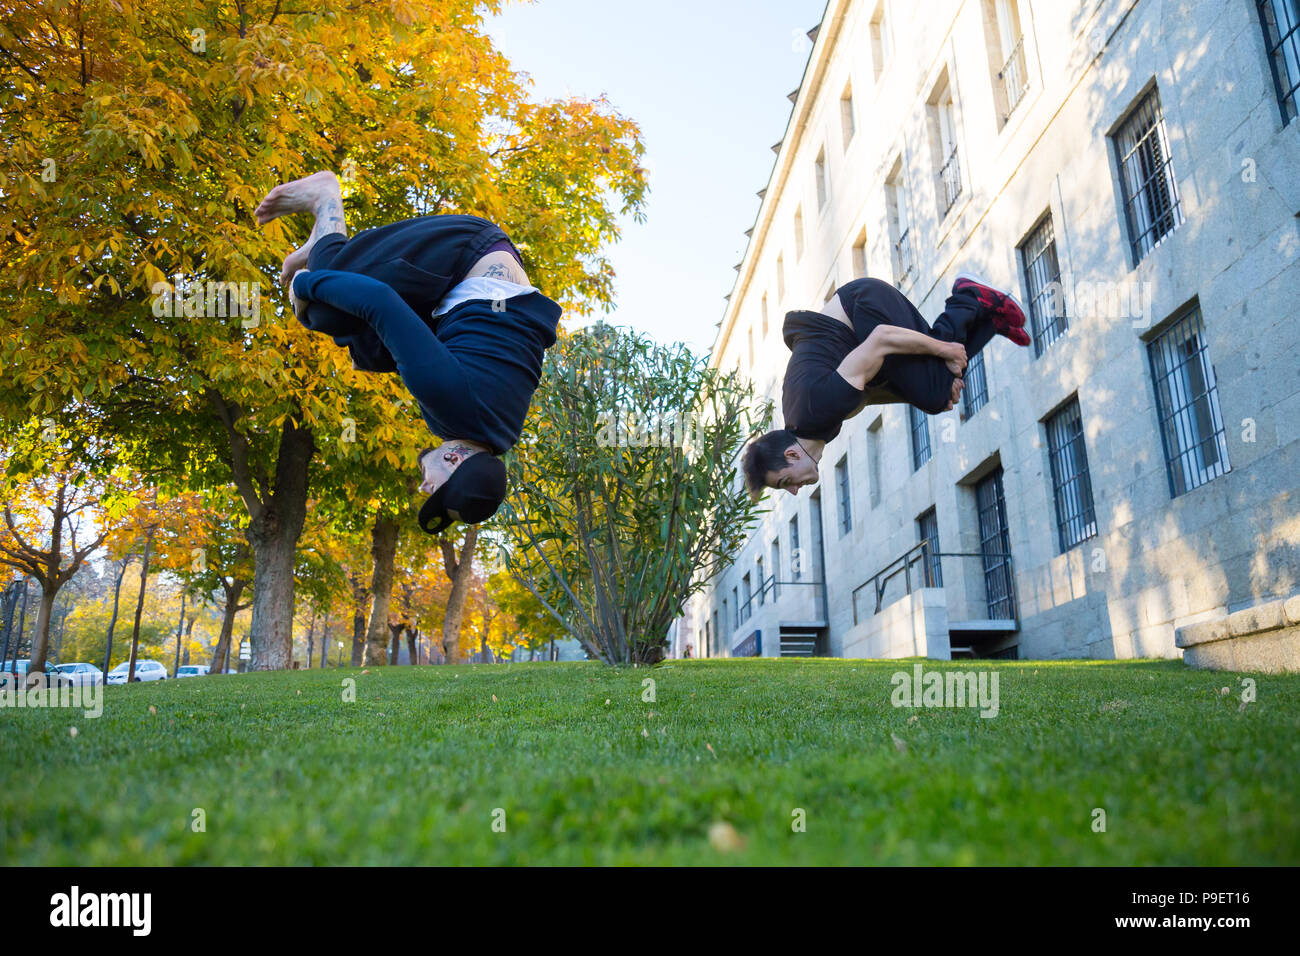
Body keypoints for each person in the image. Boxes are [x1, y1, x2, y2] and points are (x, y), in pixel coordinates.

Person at [255, 171, 561, 533]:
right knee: (323, 303)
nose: (424, 486)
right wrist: (304, 287)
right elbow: (379, 301)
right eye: (435, 489)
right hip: (469, 251)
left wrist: (371, 351)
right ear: (453, 459)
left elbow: (448, 352)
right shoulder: (451, 403)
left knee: (363, 347)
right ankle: (325, 200)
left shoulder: (495, 433)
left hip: (467, 291)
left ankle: (324, 248)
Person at [741, 274, 1031, 499]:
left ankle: (969, 298)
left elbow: (880, 338)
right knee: (935, 391)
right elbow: (868, 392)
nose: (794, 491)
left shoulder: (817, 411)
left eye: (785, 482)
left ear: (791, 455)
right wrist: (929, 395)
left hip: (864, 306)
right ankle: (989, 319)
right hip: (860, 319)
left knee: (933, 388)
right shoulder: (810, 423)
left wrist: (944, 351)